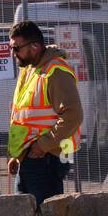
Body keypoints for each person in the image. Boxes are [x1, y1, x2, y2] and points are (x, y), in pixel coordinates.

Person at [6, 20, 83, 206]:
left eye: (17, 48)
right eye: (11, 47)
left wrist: (43, 145)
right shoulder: (30, 69)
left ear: (35, 46)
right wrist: (18, 155)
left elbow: (73, 114)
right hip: (31, 158)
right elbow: (24, 116)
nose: (13, 53)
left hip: (45, 159)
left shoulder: (55, 71)